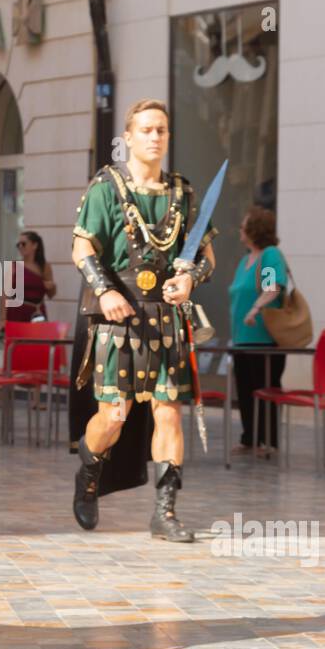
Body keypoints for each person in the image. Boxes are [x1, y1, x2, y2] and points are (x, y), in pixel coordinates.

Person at [71, 98, 216, 543]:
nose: (155, 137)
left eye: (162, 131)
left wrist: (190, 277)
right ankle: (89, 471)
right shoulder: (106, 188)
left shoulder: (183, 194)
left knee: (168, 414)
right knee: (114, 417)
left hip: (167, 318)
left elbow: (205, 256)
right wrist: (106, 290)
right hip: (118, 321)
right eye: (147, 130)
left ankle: (164, 512)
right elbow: (81, 250)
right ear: (129, 138)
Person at [227, 206, 288, 458]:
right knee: (245, 389)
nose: (240, 231)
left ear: (254, 230)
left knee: (265, 388)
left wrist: (255, 309)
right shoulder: (244, 260)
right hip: (242, 338)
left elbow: (272, 286)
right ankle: (250, 438)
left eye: (243, 226)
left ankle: (268, 441)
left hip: (264, 338)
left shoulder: (270, 255)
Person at [4, 230, 56, 323]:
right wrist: (2, 319)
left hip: (37, 312)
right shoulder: (14, 266)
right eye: (18, 244)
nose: (20, 246)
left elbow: (51, 294)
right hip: (17, 312)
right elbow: (5, 295)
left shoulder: (44, 266)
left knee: (38, 337)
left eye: (23, 244)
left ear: (34, 245)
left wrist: (52, 286)